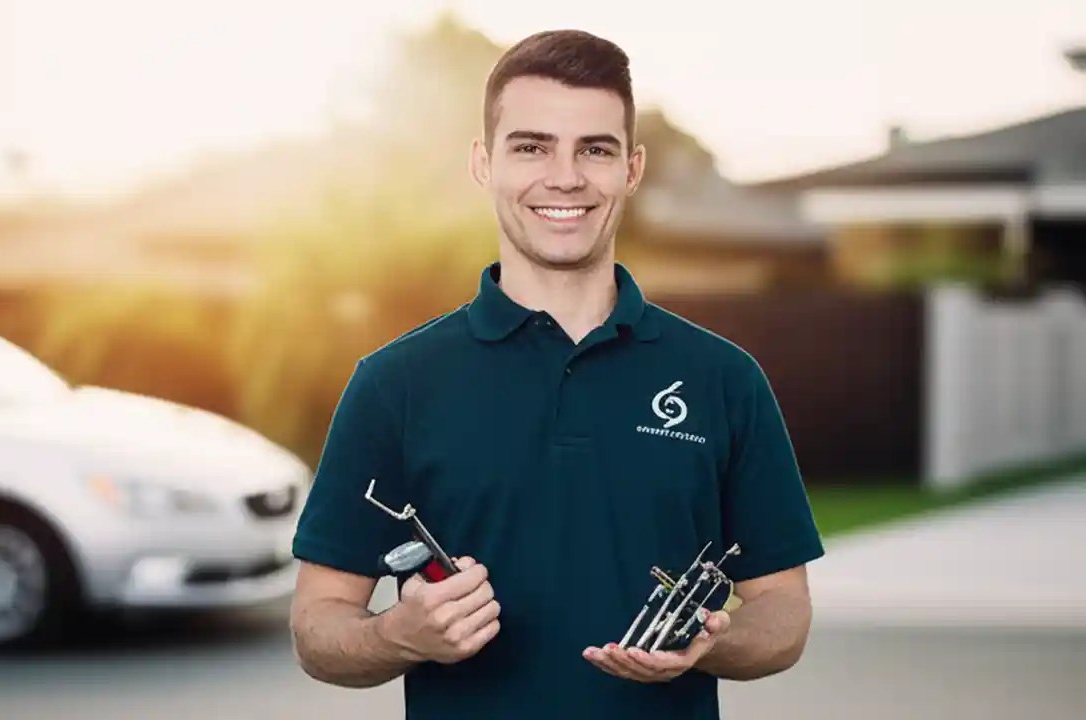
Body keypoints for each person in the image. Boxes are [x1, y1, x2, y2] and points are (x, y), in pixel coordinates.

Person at [288, 28, 825, 719]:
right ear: (484, 163)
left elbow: (783, 611)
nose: (564, 177)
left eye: (594, 150)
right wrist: (399, 634)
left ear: (631, 168)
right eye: (532, 146)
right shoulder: (394, 384)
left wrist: (709, 644)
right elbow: (317, 626)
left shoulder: (724, 379)